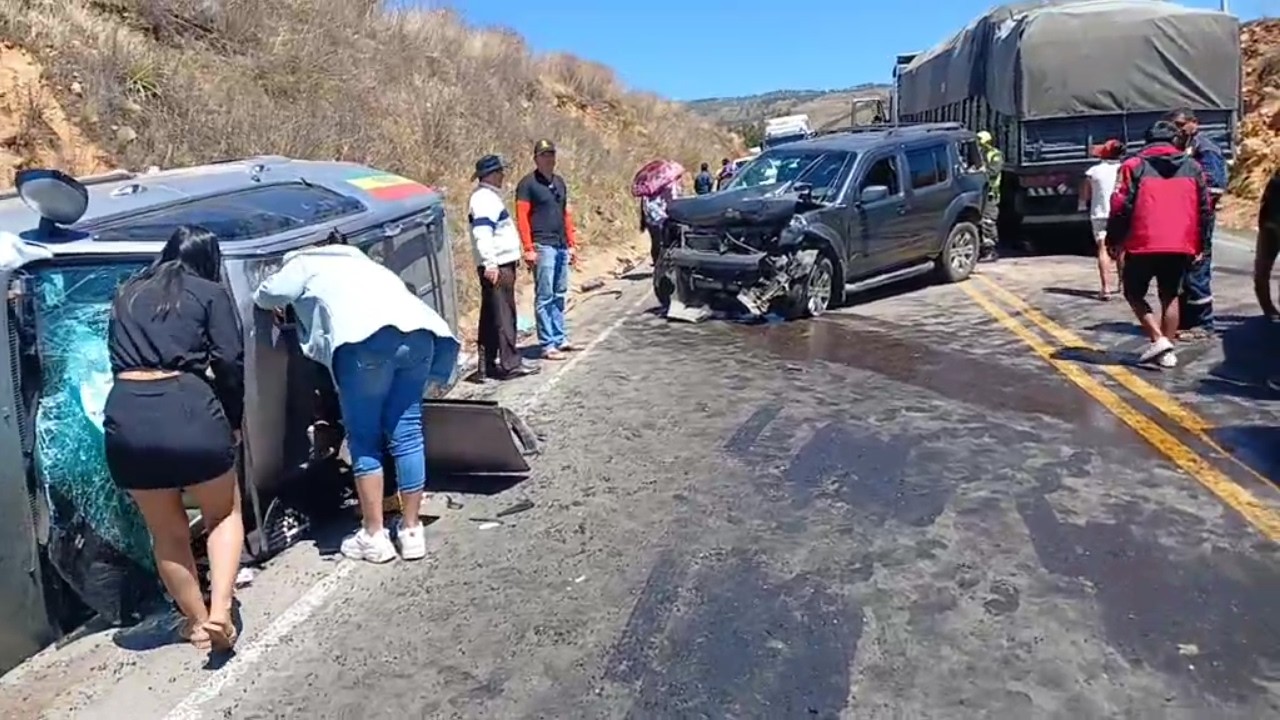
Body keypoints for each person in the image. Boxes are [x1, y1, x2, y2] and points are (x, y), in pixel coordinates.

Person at [253, 230, 459, 564]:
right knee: (407, 434)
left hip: (364, 344)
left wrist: (278, 301)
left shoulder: (304, 261)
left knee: (364, 439)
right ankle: (411, 531)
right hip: (420, 335)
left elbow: (270, 294)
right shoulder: (365, 263)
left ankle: (374, 535)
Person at [103, 226, 244, 652]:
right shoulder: (208, 292)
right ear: (209, 260)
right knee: (222, 514)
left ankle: (197, 624)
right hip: (188, 407)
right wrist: (233, 419)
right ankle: (221, 611)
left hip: (128, 411)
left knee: (166, 532)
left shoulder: (126, 292)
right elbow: (230, 361)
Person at [1106, 120, 1212, 369]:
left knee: (1133, 293)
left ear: (1147, 141)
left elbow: (1120, 205)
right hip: (1181, 242)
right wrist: (1201, 246)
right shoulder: (1193, 166)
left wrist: (1114, 240)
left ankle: (1158, 339)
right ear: (1175, 141)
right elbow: (1205, 209)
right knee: (1170, 296)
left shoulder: (1133, 166)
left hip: (1142, 241)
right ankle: (1167, 352)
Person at [469, 154, 538, 381]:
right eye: (500, 172)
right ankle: (510, 363)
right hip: (498, 264)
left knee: (491, 315)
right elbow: (483, 233)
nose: (503, 176)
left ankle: (485, 364)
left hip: (497, 263)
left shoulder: (486, 198)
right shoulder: (484, 200)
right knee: (504, 315)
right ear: (493, 174)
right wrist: (490, 262)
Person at [516, 139, 580, 360]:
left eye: (551, 154)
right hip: (542, 245)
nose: (548, 158)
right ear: (536, 158)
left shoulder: (560, 182)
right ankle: (547, 343)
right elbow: (522, 217)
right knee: (545, 295)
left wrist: (572, 243)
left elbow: (566, 214)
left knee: (559, 293)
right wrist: (528, 248)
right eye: (543, 155)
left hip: (561, 244)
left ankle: (560, 337)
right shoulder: (527, 184)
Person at [1168, 108, 1227, 340]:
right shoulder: (1181, 149)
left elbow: (1214, 188)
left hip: (1198, 219)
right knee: (1181, 269)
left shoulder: (1206, 149)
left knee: (1197, 268)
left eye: (1182, 124)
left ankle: (1204, 323)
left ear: (1195, 123)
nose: (1179, 129)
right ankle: (1185, 320)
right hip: (1182, 218)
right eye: (1175, 126)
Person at [1079, 138, 1125, 300]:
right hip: (1120, 213)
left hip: (1099, 214)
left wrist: (1082, 206)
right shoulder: (1125, 169)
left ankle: (1106, 288)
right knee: (1121, 249)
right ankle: (1123, 284)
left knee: (1102, 248)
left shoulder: (1093, 172)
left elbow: (1085, 194)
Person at [640, 179, 681, 266]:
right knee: (657, 241)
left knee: (659, 241)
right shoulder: (649, 194)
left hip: (657, 220)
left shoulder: (662, 190)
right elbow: (647, 207)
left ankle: (660, 260)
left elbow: (669, 200)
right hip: (655, 220)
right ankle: (657, 261)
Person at [976, 130, 1003, 261]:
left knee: (988, 221)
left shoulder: (995, 155)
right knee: (979, 221)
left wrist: (981, 171)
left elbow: (993, 171)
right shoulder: (980, 154)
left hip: (991, 194)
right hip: (982, 193)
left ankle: (991, 251)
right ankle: (983, 248)